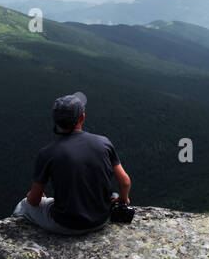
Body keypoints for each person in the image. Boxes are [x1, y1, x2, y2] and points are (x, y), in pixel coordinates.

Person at [12, 91, 132, 235]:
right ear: (82, 117)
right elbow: (125, 182)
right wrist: (123, 199)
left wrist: (32, 195)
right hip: (101, 220)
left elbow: (34, 201)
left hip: (65, 225)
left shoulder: (47, 153)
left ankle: (16, 233)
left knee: (24, 204)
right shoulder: (104, 142)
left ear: (56, 121)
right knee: (112, 196)